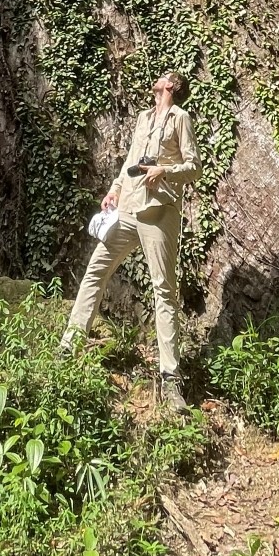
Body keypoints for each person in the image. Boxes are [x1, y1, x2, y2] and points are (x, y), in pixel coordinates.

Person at [60, 70, 198, 410]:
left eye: (163, 77)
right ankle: (70, 342)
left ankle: (170, 377)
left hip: (159, 212)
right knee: (96, 269)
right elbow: (131, 161)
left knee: (164, 290)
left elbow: (193, 166)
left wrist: (165, 170)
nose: (158, 79)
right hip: (129, 209)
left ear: (171, 86)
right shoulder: (143, 117)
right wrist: (115, 189)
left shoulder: (180, 119)